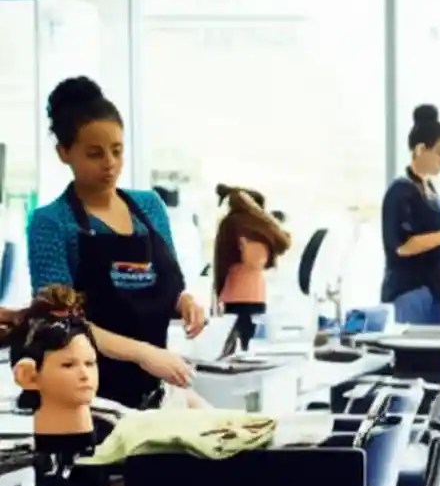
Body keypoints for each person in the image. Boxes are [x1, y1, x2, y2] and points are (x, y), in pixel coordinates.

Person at [27, 76, 205, 410]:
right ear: (64, 152)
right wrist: (142, 353)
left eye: (117, 151)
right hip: (88, 399)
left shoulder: (149, 207)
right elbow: (59, 322)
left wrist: (185, 302)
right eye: (94, 153)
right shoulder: (51, 222)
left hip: (153, 389)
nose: (109, 163)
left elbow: (163, 287)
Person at [380, 104, 440, 326]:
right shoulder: (400, 191)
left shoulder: (434, 193)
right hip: (410, 293)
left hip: (437, 292)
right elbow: (402, 245)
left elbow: (438, 241)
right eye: (439, 153)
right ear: (420, 149)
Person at [213, 184, 291, 350]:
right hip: (245, 297)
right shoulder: (246, 227)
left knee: (239, 347)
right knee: (242, 347)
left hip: (239, 297)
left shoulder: (235, 226)